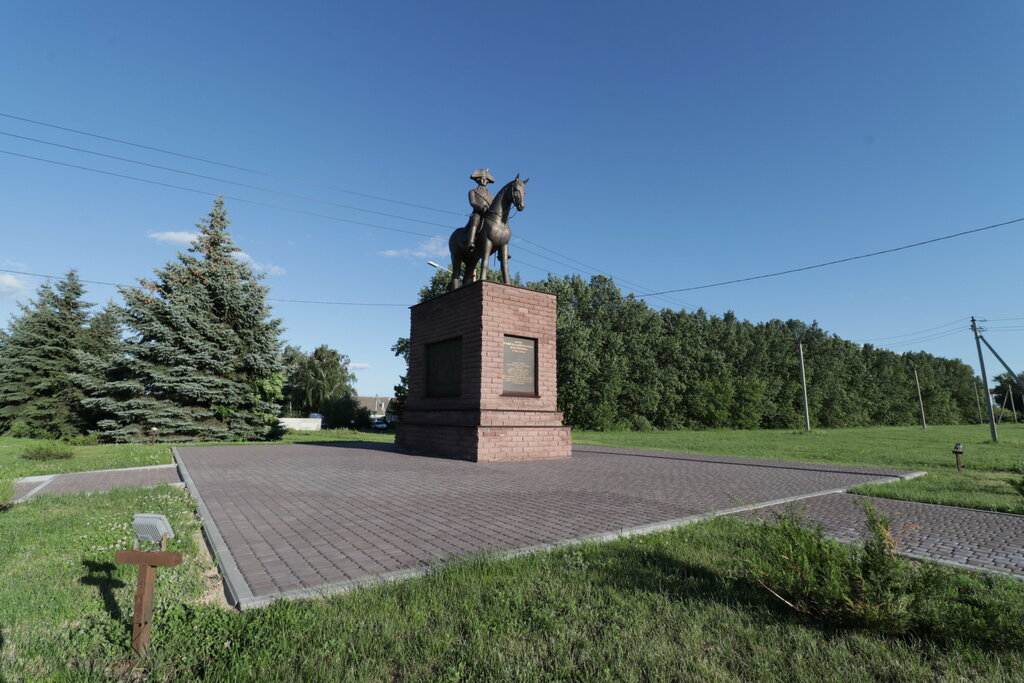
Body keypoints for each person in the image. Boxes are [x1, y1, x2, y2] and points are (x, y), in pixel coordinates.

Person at [466, 168, 494, 251]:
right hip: (478, 212)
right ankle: (470, 242)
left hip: (488, 214)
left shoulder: (491, 196)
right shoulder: (473, 191)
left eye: (486, 179)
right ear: (478, 180)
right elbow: (473, 202)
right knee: (475, 219)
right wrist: (481, 208)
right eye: (482, 178)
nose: (484, 180)